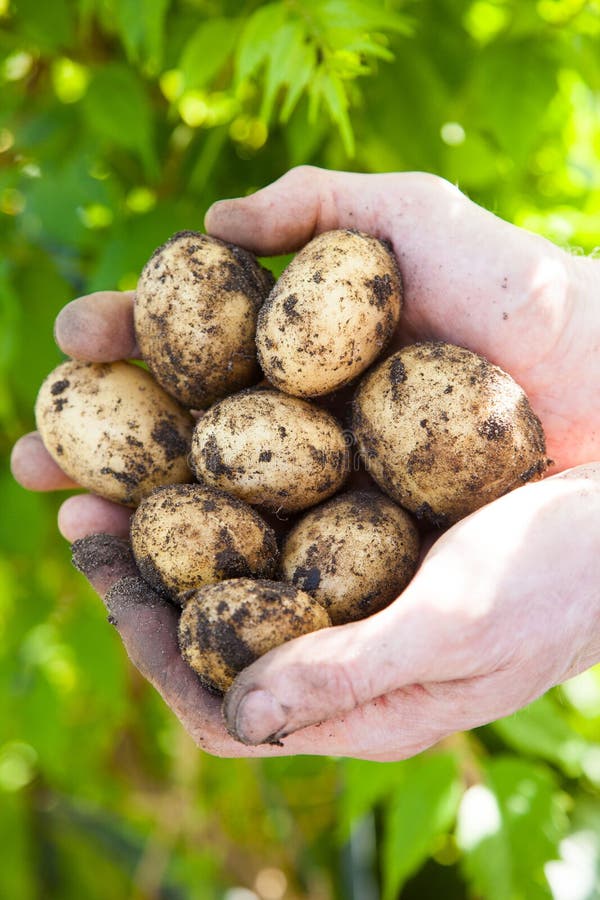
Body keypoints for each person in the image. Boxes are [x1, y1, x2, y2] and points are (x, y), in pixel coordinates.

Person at [10, 167, 600, 761]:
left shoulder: (310, 410)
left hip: (383, 448)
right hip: (289, 449)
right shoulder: (234, 440)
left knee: (263, 407)